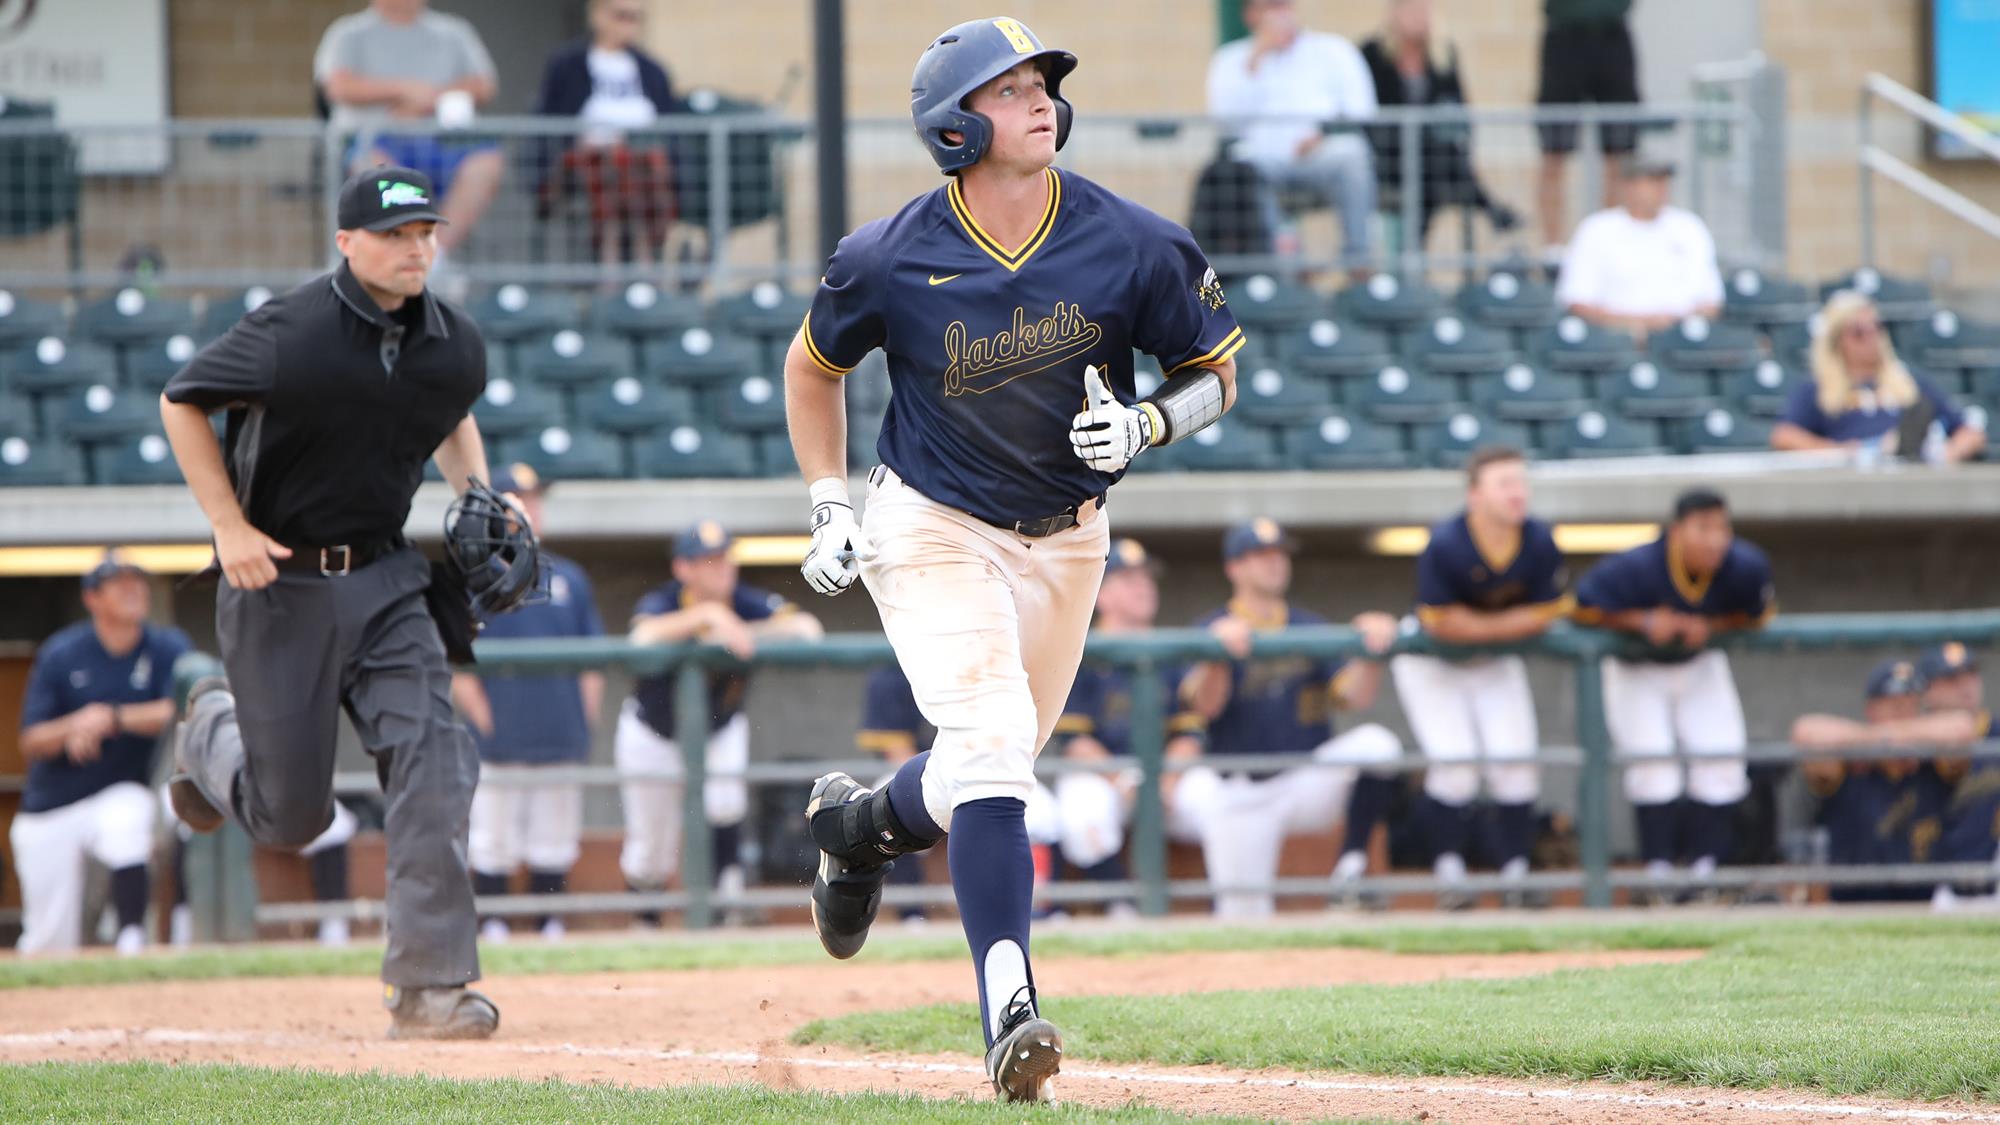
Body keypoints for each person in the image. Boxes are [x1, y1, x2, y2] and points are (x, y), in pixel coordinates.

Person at [784, 17, 1243, 1103]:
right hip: (930, 525)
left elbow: (1217, 369)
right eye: (1005, 89)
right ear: (953, 129)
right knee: (990, 746)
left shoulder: (1131, 239)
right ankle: (1009, 1009)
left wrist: (1147, 427)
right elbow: (813, 370)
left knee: (982, 768)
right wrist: (824, 503)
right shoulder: (887, 254)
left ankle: (853, 832)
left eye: (1041, 81)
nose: (1036, 98)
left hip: (1069, 540)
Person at [158, 165, 507, 1039]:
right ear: (347, 243)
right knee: (293, 814)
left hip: (389, 579)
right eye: (394, 235)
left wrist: (478, 496)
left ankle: (430, 988)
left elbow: (452, 410)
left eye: (424, 232)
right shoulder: (290, 333)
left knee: (435, 761)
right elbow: (182, 400)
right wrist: (226, 525)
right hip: (279, 583)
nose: (415, 247)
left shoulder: (453, 341)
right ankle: (208, 731)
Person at [1177, 519, 1404, 917]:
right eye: (1260, 556)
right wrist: (1219, 657)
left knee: (1379, 746)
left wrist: (1371, 651)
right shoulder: (1209, 627)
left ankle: (1351, 868)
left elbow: (1354, 698)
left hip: (1305, 779)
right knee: (1243, 919)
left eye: (1279, 553)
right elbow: (1204, 707)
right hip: (1242, 791)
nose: (1274, 563)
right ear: (1234, 568)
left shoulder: (1307, 625)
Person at [1573, 489, 1775, 905]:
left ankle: (1707, 874)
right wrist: (1643, 620)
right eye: (1703, 528)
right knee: (1653, 768)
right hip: (1637, 667)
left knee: (1721, 762)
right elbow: (1582, 608)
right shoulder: (1637, 566)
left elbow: (1756, 615)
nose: (1715, 540)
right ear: (1677, 531)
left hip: (1700, 664)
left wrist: (1711, 625)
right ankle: (1658, 876)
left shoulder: (1745, 566)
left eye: (1722, 528)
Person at [618, 522, 822, 925]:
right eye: (707, 561)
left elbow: (808, 630)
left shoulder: (745, 602)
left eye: (724, 558)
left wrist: (741, 631)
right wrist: (705, 618)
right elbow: (640, 638)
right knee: (650, 842)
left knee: (725, 806)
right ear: (683, 568)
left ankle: (722, 909)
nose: (721, 569)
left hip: (720, 726)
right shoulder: (666, 599)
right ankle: (645, 920)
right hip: (653, 732)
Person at [1391, 447, 1567, 910]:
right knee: (1455, 766)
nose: (1516, 493)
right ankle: (1449, 875)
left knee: (1517, 763)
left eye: (1520, 482)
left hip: (1492, 659)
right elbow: (1441, 622)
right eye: (1504, 483)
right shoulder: (1447, 541)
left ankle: (1516, 875)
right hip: (1432, 660)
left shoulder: (1539, 539)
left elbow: (1548, 613)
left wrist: (1484, 628)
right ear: (1475, 495)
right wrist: (1510, 624)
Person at [455, 463, 606, 944]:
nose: (531, 507)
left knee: (554, 836)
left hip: (558, 734)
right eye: (519, 499)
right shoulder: (476, 575)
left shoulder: (570, 577)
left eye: (534, 499)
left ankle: (547, 922)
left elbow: (593, 661)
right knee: (492, 837)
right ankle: (493, 921)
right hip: (500, 737)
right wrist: (484, 720)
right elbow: (455, 659)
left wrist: (583, 723)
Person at [12, 552, 189, 956]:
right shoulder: (62, 652)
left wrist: (110, 717)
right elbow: (32, 739)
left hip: (120, 787)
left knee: (129, 817)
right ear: (92, 598)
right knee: (48, 942)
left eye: (138, 581)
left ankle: (131, 937)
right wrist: (76, 724)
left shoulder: (164, 646)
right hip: (52, 803)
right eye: (119, 583)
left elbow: (178, 706)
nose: (133, 590)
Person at [1056, 538, 1201, 914]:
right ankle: (1121, 905)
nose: (1143, 586)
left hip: (1168, 775)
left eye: (1146, 578)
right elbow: (1073, 740)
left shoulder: (1170, 648)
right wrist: (1123, 781)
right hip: (1105, 775)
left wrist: (1163, 781)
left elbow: (1190, 732)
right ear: (1100, 594)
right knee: (1082, 813)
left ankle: (1237, 914)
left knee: (1222, 803)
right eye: (1127, 578)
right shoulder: (1078, 648)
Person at [315, 0, 504, 259]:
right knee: (379, 172)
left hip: (442, 142)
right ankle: (398, 257)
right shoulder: (348, 33)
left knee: (485, 163)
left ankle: (434, 256)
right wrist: (403, 91)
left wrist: (429, 99)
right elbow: (338, 87)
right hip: (374, 142)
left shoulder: (453, 31)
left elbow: (484, 85)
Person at [1207, 0, 1379, 272]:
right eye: (1269, 7)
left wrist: (1324, 133)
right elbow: (1226, 123)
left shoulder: (1332, 50)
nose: (1279, 15)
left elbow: (1361, 109)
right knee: (1244, 173)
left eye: (1283, 5)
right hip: (1262, 160)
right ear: (1250, 15)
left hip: (1320, 155)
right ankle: (1286, 269)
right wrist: (1256, 58)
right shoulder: (1231, 59)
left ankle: (1359, 262)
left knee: (1353, 156)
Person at [1792, 659, 1971, 902]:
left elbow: (1962, 728)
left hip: (1927, 904)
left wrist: (1893, 738)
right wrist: (1878, 743)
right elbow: (1807, 732)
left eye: (1913, 707)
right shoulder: (1849, 766)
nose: (1906, 715)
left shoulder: (1934, 764)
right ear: (1872, 710)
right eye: (1896, 707)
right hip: (1852, 903)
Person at [1358, 0, 1518, 252]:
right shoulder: (1372, 54)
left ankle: (1412, 254)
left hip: (1431, 157)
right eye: (1411, 10)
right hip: (1388, 151)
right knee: (1439, 165)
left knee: (1435, 169)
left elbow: (1459, 108)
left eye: (1423, 11)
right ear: (1395, 14)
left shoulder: (1442, 55)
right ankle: (1488, 206)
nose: (1419, 18)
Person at [532, 0, 678, 271]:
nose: (629, 25)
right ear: (597, 15)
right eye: (621, 16)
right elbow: (549, 122)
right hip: (589, 160)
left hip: (641, 161)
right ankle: (616, 261)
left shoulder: (652, 70)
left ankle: (643, 259)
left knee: (643, 164)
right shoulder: (568, 65)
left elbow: (669, 127)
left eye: (636, 18)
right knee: (613, 163)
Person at [1771, 291, 1986, 463]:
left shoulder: (1910, 383)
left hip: (1910, 478)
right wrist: (1841, 452)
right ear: (1837, 340)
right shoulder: (1816, 390)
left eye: (1876, 328)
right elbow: (1784, 436)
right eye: (1858, 332)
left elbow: (1970, 433)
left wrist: (1949, 453)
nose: (1871, 337)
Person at [1555, 159, 1721, 341]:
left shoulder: (1689, 226)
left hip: (1683, 336)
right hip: (1614, 338)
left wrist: (1672, 323)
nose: (1660, 188)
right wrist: (1634, 324)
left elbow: (1712, 301)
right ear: (1629, 186)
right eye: (1651, 181)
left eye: (1663, 181)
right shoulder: (1597, 229)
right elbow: (1577, 300)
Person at [1534, 0, 1641, 256]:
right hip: (1564, 37)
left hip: (1612, 36)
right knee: (1553, 152)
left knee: (1619, 153)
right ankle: (1554, 249)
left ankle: (1610, 244)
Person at [1914, 644, 2000, 905]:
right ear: (1927, 691)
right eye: (1952, 679)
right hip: (1941, 886)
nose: (1966, 686)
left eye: (1971, 674)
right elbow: (1958, 731)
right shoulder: (1913, 740)